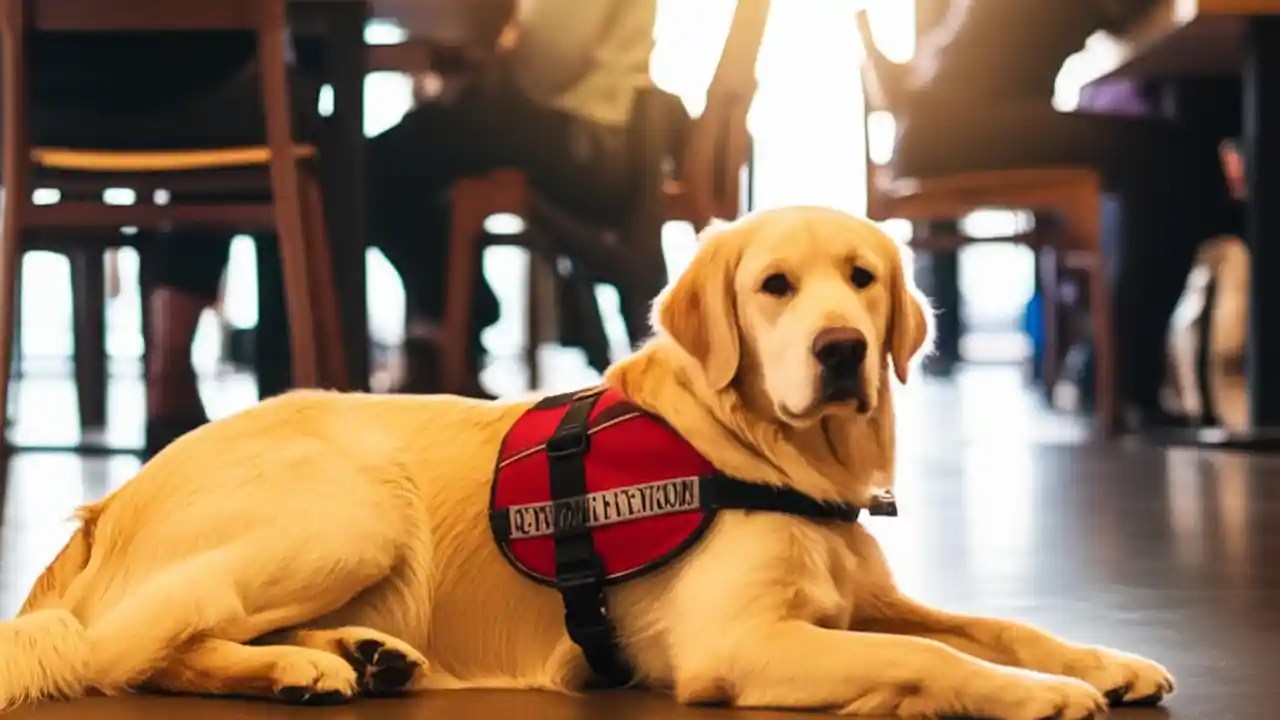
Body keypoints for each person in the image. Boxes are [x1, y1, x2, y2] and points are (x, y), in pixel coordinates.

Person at [873, 0, 1239, 432]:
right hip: (962, 128)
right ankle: (1128, 379)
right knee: (1169, 158)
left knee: (1167, 155)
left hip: (943, 125)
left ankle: (1113, 372)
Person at [21, 32, 323, 455]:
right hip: (206, 102)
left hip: (38, 108)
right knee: (288, 88)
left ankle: (173, 370)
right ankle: (288, 408)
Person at [366, 0, 659, 396]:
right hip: (594, 129)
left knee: (377, 167)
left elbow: (548, 63)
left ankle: (447, 333)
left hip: (579, 137)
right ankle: (448, 331)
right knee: (411, 156)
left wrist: (489, 47)